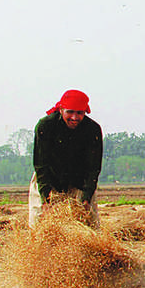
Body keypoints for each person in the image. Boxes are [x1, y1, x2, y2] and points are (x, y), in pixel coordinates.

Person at [29, 89, 103, 228]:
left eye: (79, 113)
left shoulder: (92, 130)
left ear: (85, 112)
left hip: (79, 178)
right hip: (49, 177)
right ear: (61, 109)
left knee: (88, 222)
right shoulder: (46, 126)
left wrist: (86, 197)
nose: (74, 118)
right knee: (39, 221)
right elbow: (41, 164)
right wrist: (45, 199)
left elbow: (93, 167)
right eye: (70, 112)